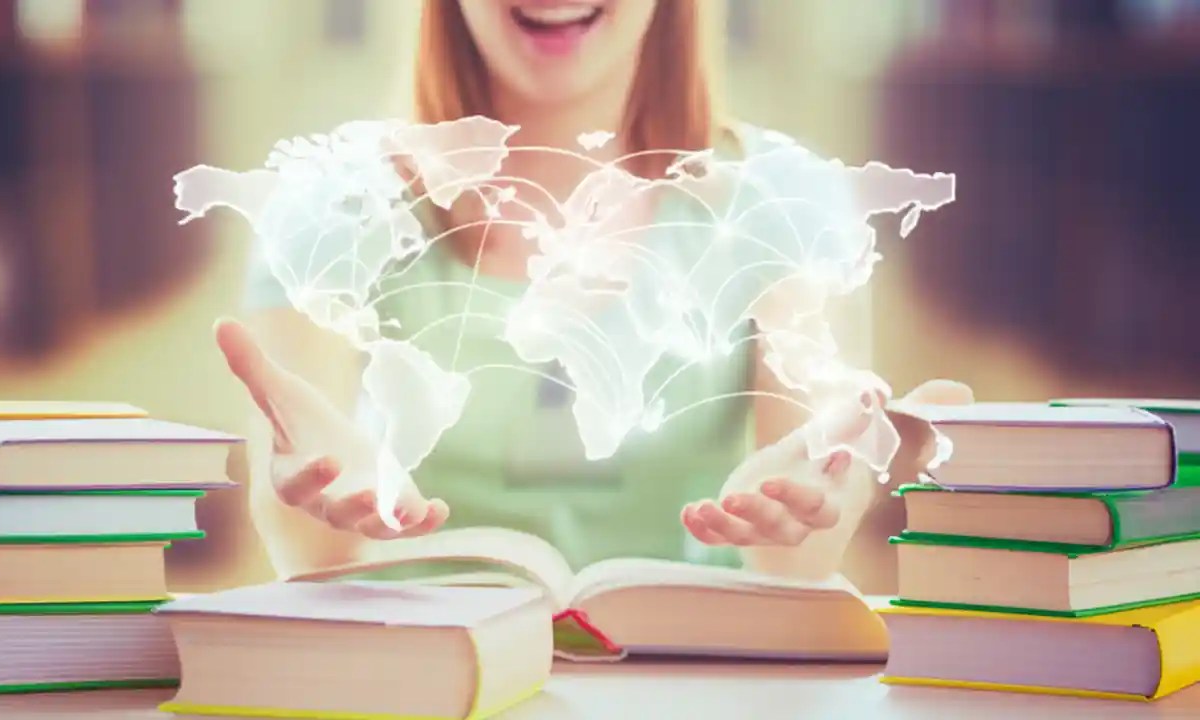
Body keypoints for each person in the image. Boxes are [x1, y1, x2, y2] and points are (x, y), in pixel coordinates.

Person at [215, 0, 973, 583]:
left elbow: (799, 566)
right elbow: (308, 561)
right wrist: (318, 507)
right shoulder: (331, 206)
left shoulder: (785, 204)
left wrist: (802, 514)